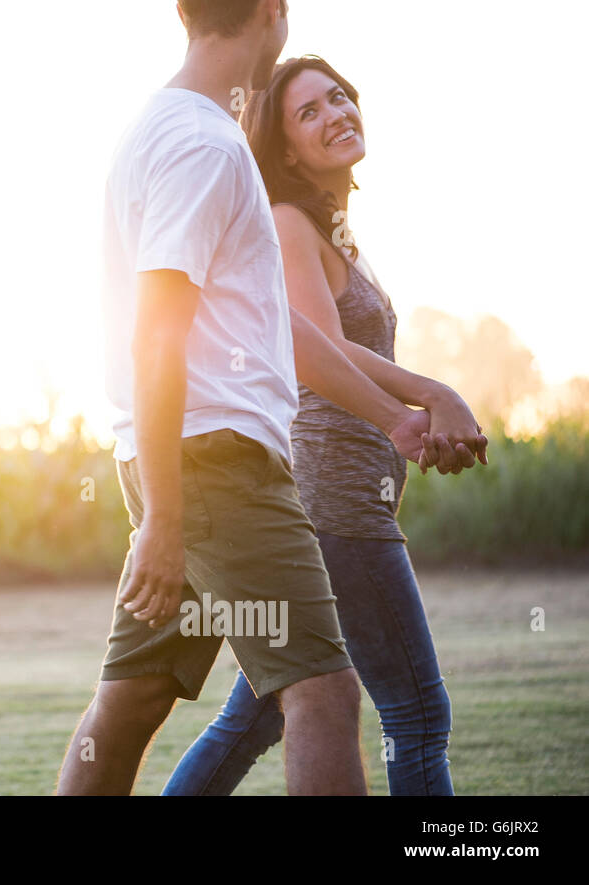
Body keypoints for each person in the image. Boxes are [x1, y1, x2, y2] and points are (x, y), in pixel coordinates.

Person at [55, 0, 483, 796]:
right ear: (273, 3)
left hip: (186, 467)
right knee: (324, 694)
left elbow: (267, 331)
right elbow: (157, 332)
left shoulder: (168, 131)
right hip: (214, 466)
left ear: (186, 9)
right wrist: (167, 520)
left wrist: (400, 413)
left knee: (132, 703)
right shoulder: (202, 147)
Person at [162, 56, 480, 796]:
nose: (335, 111)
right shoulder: (288, 223)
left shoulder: (337, 233)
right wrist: (430, 396)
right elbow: (318, 347)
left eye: (339, 96)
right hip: (335, 503)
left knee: (259, 717)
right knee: (417, 712)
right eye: (308, 111)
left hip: (339, 500)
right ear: (284, 148)